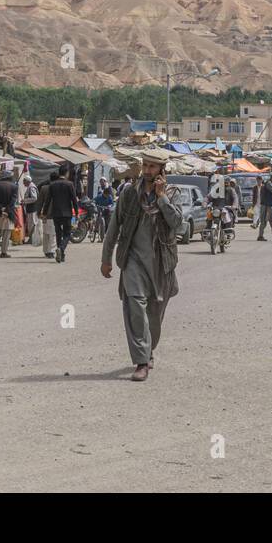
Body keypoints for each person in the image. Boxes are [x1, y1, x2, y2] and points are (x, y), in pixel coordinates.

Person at [101, 154, 183, 382]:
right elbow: (114, 227)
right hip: (133, 261)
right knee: (135, 308)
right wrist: (106, 258)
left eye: (152, 166)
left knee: (154, 316)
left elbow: (178, 223)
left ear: (161, 169)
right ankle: (141, 362)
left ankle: (148, 350)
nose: (147, 170)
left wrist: (161, 197)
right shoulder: (129, 194)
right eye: (145, 165)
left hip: (161, 262)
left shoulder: (172, 193)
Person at [44, 167, 79, 262]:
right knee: (67, 234)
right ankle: (61, 248)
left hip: (56, 213)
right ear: (66, 173)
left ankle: (61, 255)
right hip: (67, 213)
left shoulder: (52, 184)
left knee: (58, 234)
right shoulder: (70, 184)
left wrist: (44, 213)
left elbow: (48, 200)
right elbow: (74, 200)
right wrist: (76, 212)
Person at [38, 170, 58, 258]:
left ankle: (46, 250)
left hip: (45, 215)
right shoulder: (58, 188)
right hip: (55, 214)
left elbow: (40, 202)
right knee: (53, 234)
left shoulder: (44, 188)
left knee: (46, 233)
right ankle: (51, 251)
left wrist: (39, 213)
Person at [256, 173, 272, 241]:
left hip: (271, 205)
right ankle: (260, 236)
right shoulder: (268, 183)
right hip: (266, 206)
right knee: (264, 221)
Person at [20, 171, 38, 242]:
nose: (23, 183)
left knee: (32, 224)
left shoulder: (31, 187)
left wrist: (25, 201)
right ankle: (32, 238)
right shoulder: (30, 187)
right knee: (30, 224)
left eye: (24, 181)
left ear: (27, 181)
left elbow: (34, 198)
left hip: (32, 209)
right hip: (30, 209)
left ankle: (32, 239)